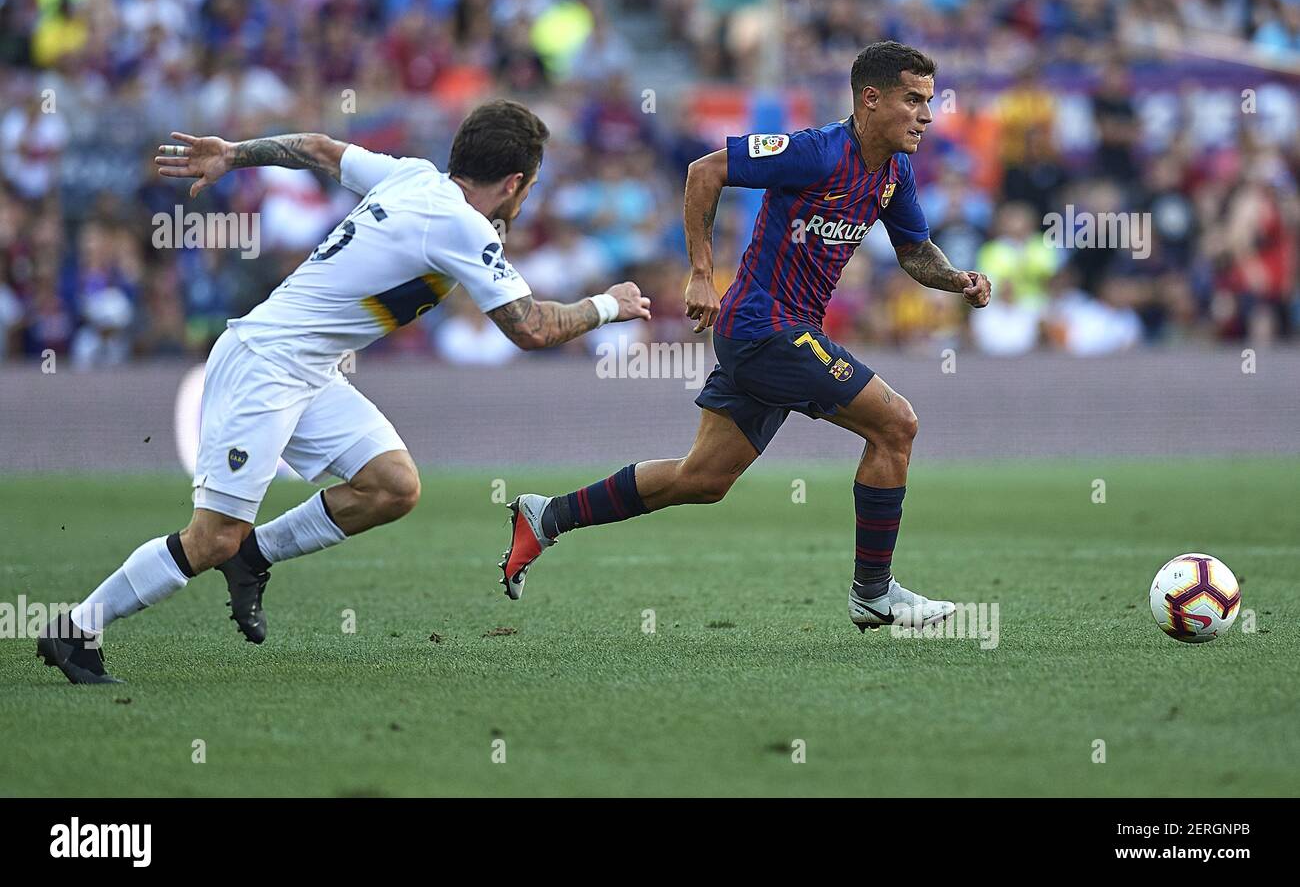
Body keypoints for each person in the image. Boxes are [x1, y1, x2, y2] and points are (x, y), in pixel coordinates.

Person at [37, 99, 652, 684]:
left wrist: (234, 153)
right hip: (267, 364)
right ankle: (75, 628)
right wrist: (607, 305)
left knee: (392, 486)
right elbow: (532, 328)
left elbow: (319, 148)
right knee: (211, 536)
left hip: (309, 369)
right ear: (516, 182)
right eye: (532, 187)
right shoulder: (462, 226)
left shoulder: (413, 175)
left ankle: (254, 557)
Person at [498, 42, 992, 632]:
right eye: (913, 100)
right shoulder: (815, 151)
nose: (927, 115)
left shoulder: (894, 173)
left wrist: (957, 279)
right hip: (766, 327)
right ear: (871, 98)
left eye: (929, 102)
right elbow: (704, 172)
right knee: (897, 424)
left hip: (773, 334)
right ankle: (874, 593)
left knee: (701, 479)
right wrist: (702, 273)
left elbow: (913, 251)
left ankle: (546, 516)